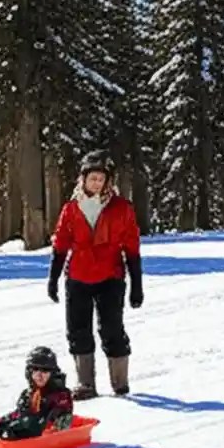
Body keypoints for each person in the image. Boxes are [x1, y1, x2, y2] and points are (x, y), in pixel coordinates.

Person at [47, 152, 144, 400]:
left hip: (110, 276)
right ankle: (86, 384)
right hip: (78, 276)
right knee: (78, 329)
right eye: (93, 178)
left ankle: (120, 383)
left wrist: (136, 285)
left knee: (112, 328)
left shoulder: (121, 208)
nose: (97, 183)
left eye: (101, 179)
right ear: (83, 180)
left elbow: (132, 247)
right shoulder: (71, 209)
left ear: (108, 182)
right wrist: (53, 278)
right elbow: (60, 244)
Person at [0, 346, 74, 439]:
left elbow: (41, 424)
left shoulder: (60, 395)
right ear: (29, 372)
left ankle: (2, 432)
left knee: (26, 424)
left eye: (45, 370)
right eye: (35, 370)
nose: (39, 375)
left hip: (48, 437)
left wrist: (9, 429)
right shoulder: (29, 394)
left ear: (52, 373)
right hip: (28, 429)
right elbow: (19, 414)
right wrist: (1, 422)